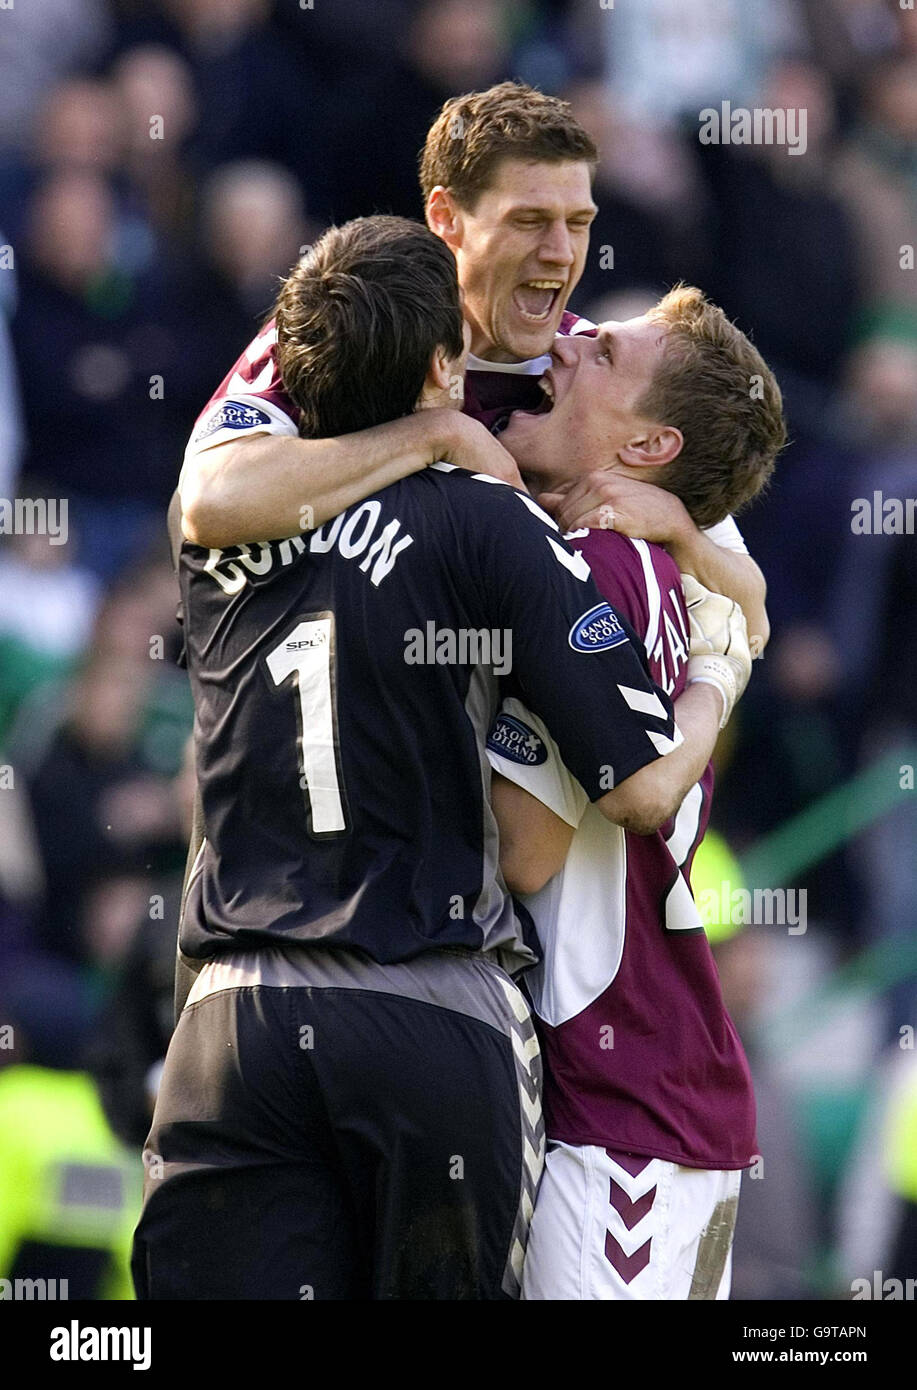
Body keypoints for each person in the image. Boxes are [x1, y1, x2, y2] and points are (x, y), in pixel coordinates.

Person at [133, 217, 739, 1301]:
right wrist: (722, 668)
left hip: (233, 1010)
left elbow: (208, 489)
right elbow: (636, 793)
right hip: (429, 1002)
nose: (555, 344)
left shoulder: (217, 522)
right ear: (435, 369)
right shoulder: (496, 523)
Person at [483, 285, 786, 1299]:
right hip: (649, 1101)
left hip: (621, 1117)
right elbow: (745, 605)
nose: (566, 349)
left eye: (602, 352)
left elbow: (521, 849)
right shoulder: (658, 555)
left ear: (650, 446)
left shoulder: (602, 569)